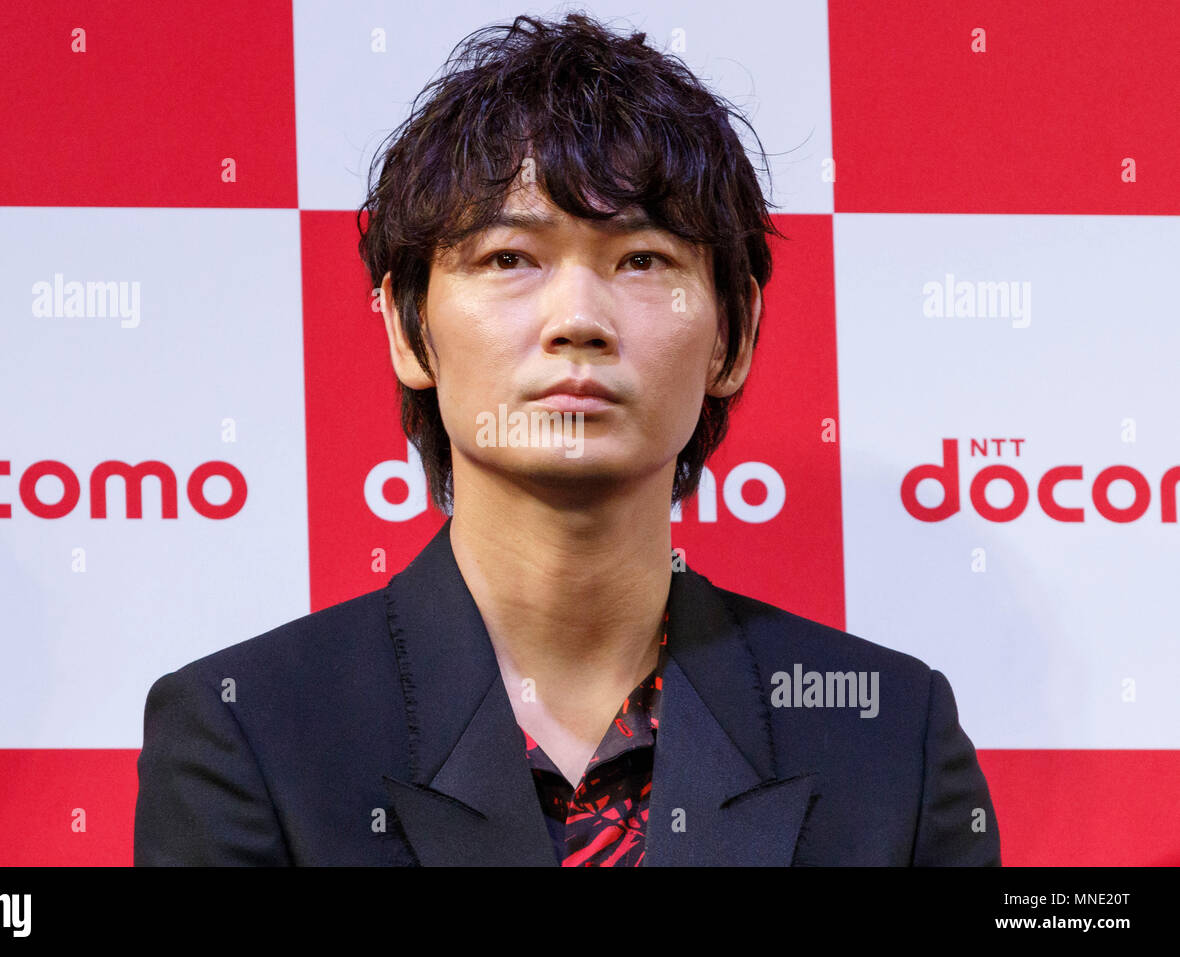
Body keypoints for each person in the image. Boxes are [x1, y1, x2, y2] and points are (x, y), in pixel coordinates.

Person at [135, 12, 1000, 866]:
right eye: (511, 258)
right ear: (409, 329)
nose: (578, 319)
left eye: (643, 260)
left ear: (732, 337)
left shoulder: (890, 736)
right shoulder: (249, 731)